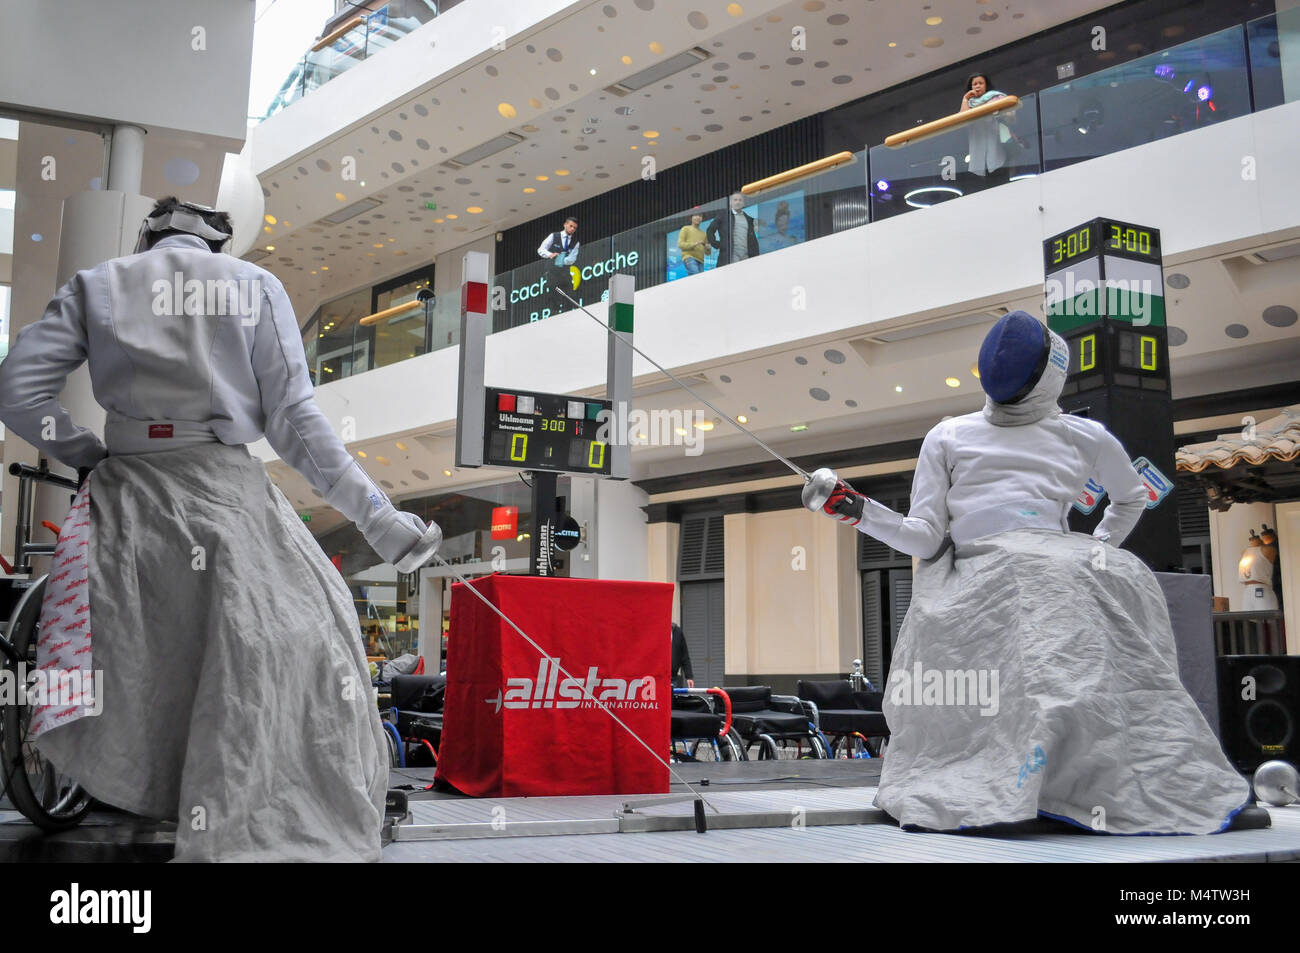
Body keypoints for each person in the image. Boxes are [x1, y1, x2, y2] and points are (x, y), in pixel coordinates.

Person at [0, 197, 442, 862]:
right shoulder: (254, 287)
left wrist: (89, 452)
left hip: (127, 494)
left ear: (148, 235)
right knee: (310, 634)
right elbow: (297, 423)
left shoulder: (98, 284)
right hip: (227, 489)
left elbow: (18, 390)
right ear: (218, 242)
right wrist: (380, 519)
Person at [817, 310, 1250, 834]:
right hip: (986, 569)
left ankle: (1094, 779)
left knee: (1111, 602)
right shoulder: (951, 436)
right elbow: (927, 536)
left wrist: (1097, 550)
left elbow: (1130, 497)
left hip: (1057, 559)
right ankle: (1031, 780)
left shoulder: (1084, 436)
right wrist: (859, 509)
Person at [960, 72, 1013, 188]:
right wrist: (965, 98)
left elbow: (1011, 117)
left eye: (981, 83)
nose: (977, 86)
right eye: (974, 84)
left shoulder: (995, 98)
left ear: (986, 85)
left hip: (997, 151)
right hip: (977, 154)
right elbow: (963, 119)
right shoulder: (969, 104)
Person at [706, 193, 760, 266]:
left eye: (740, 200)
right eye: (735, 200)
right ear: (730, 202)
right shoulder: (723, 216)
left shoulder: (748, 219)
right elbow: (710, 230)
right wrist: (716, 244)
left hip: (747, 255)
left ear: (743, 203)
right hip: (731, 254)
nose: (738, 202)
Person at [671, 622, 695, 689]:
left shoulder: (677, 632)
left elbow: (684, 656)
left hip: (673, 678)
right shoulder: (656, 630)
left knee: (672, 699)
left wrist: (689, 676)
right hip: (658, 678)